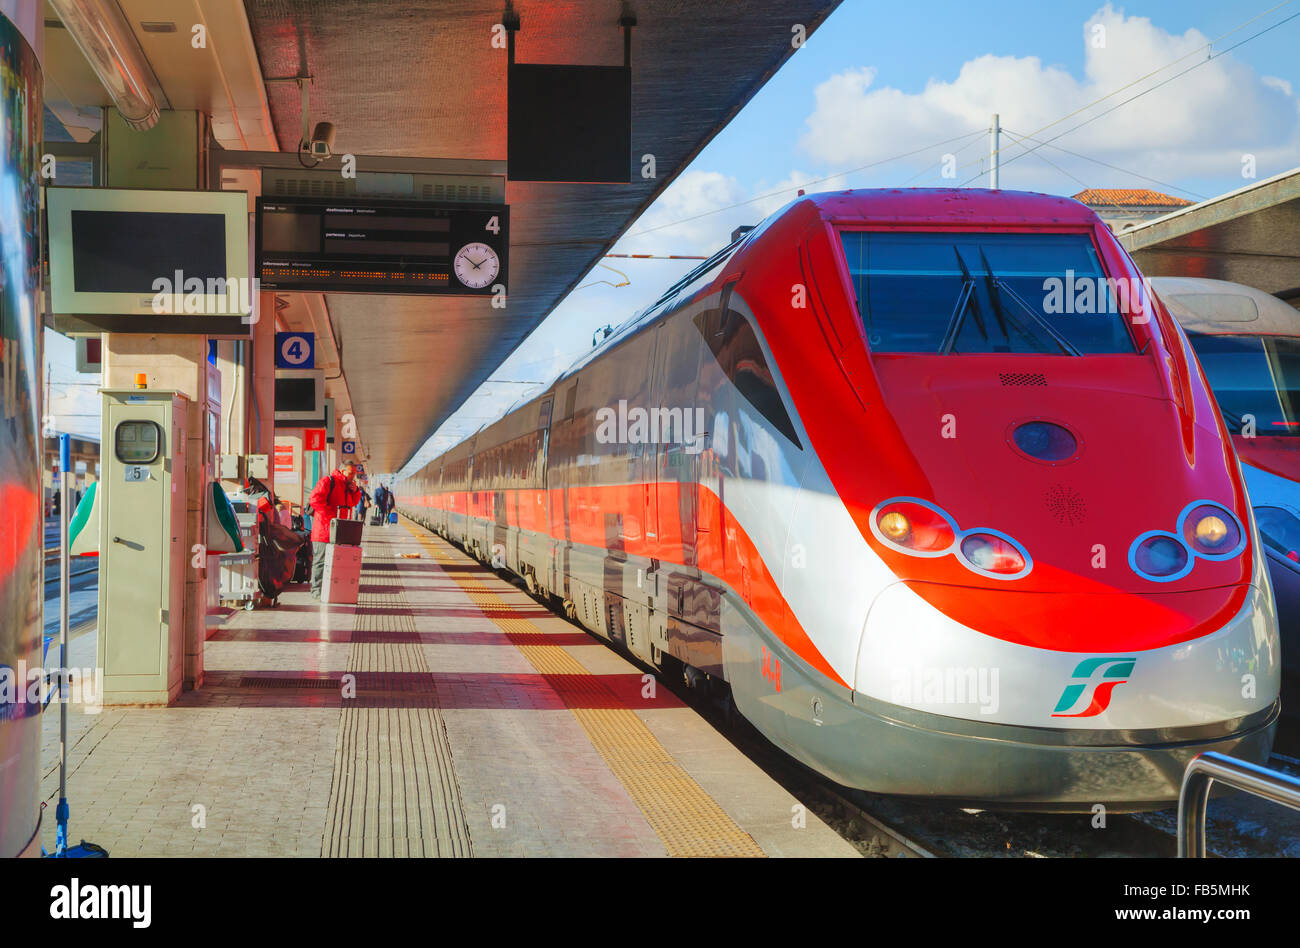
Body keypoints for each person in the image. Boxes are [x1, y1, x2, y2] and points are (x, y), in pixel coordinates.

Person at [307, 460, 362, 599]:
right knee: (320, 561)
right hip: (324, 530)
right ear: (343, 471)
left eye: (355, 473)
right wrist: (330, 515)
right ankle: (316, 591)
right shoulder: (327, 481)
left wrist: (355, 491)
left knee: (336, 562)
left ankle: (331, 589)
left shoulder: (347, 486)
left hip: (340, 530)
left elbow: (354, 502)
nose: (353, 476)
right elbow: (314, 499)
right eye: (351, 473)